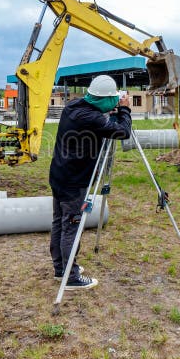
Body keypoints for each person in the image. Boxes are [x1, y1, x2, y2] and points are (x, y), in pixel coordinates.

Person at [49, 75, 131, 290]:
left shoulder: (74, 106)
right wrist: (124, 110)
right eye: (113, 99)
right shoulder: (92, 118)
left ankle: (61, 268)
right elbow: (123, 132)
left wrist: (111, 110)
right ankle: (71, 277)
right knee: (72, 226)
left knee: (59, 221)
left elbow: (99, 115)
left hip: (59, 174)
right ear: (104, 100)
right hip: (74, 182)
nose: (115, 101)